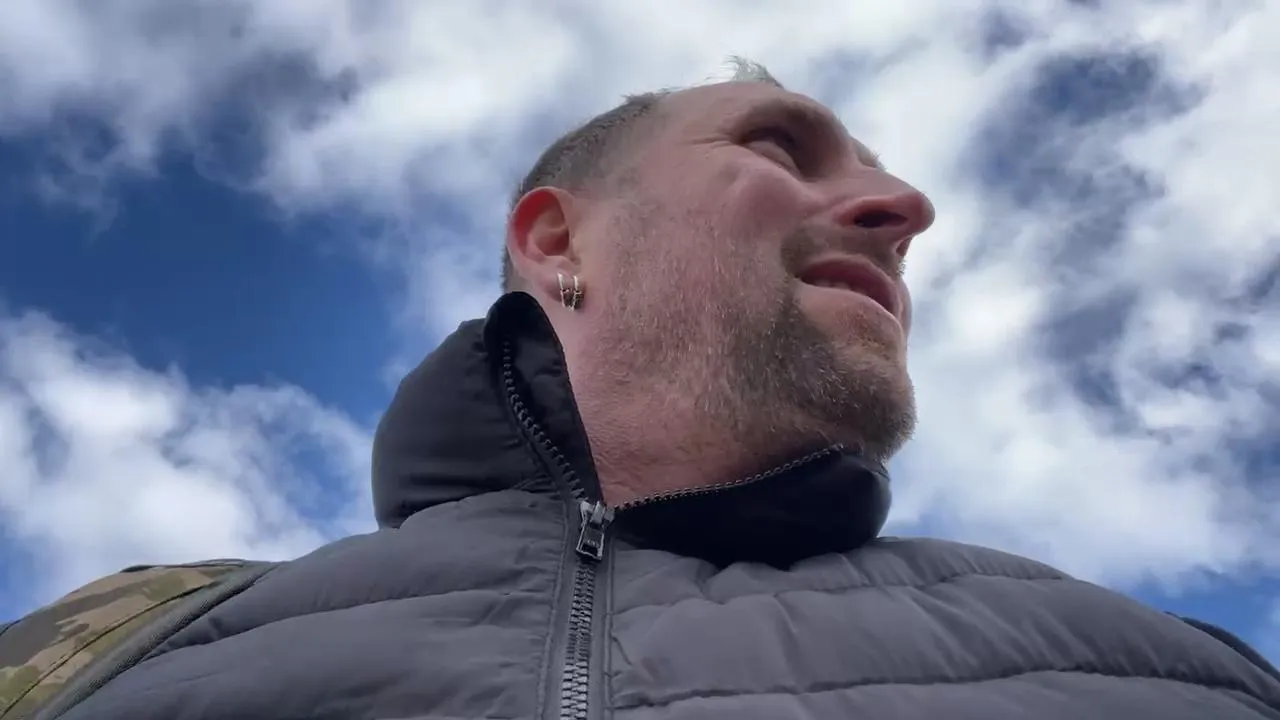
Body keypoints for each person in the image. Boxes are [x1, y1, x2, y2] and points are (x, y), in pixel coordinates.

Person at [3, 59, 1279, 720]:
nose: (906, 209)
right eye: (780, 146)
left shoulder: (1177, 669)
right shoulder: (116, 639)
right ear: (555, 240)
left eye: (881, 177)